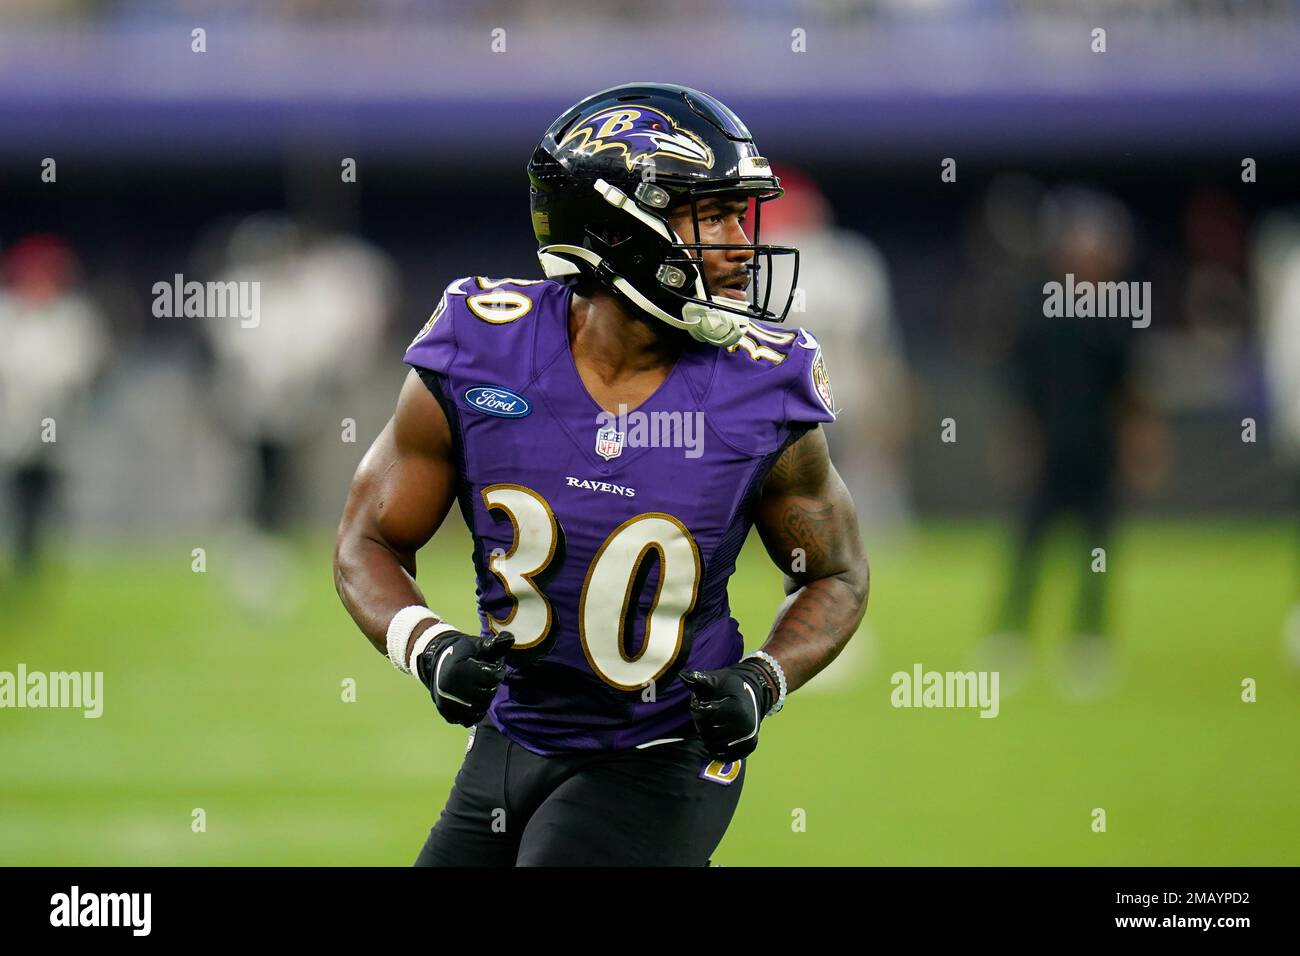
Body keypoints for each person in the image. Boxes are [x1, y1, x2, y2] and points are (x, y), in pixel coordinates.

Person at [334, 83, 869, 866]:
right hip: (512, 737)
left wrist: (762, 679)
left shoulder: (763, 384)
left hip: (663, 746)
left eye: (737, 215)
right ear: (618, 227)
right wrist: (428, 646)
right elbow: (368, 538)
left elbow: (838, 574)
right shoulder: (482, 347)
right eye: (711, 215)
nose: (739, 245)